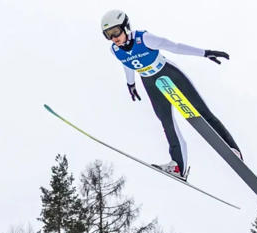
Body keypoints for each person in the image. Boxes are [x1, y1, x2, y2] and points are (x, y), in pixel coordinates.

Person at [101, 9, 241, 180]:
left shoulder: (143, 38)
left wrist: (205, 53)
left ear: (126, 27)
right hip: (150, 83)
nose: (114, 37)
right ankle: (178, 167)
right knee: (166, 122)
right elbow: (127, 64)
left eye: (116, 32)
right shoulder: (115, 50)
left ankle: (233, 149)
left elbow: (175, 47)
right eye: (108, 35)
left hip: (168, 73)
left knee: (202, 112)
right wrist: (131, 84)